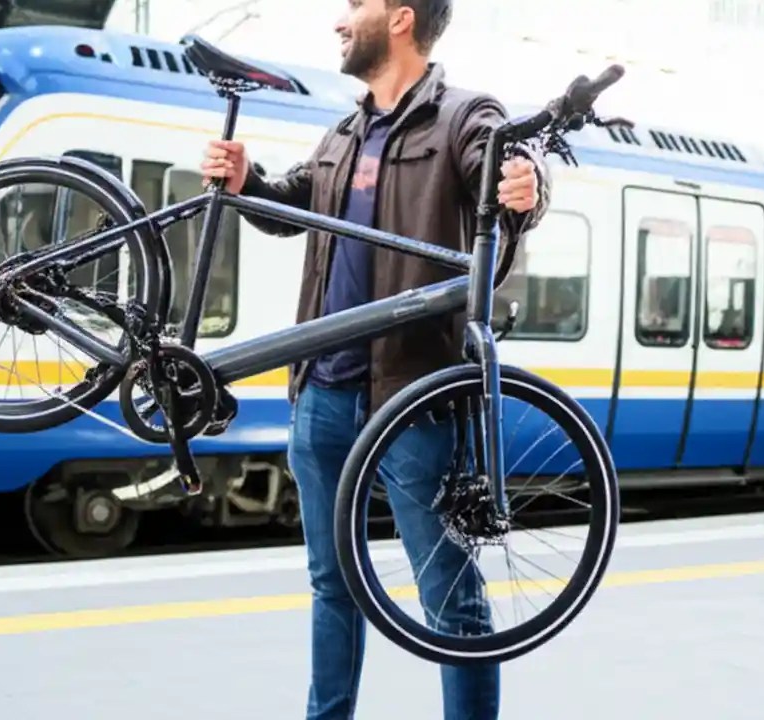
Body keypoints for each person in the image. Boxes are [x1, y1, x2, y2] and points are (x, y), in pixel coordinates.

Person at [201, 1, 550, 718]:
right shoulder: (344, 132)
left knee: (449, 598)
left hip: (411, 400)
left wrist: (529, 185)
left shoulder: (463, 117)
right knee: (332, 587)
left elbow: (505, 172)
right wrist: (245, 183)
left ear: (400, 18)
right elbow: (290, 204)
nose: (340, 20)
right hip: (322, 396)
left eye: (356, 4)